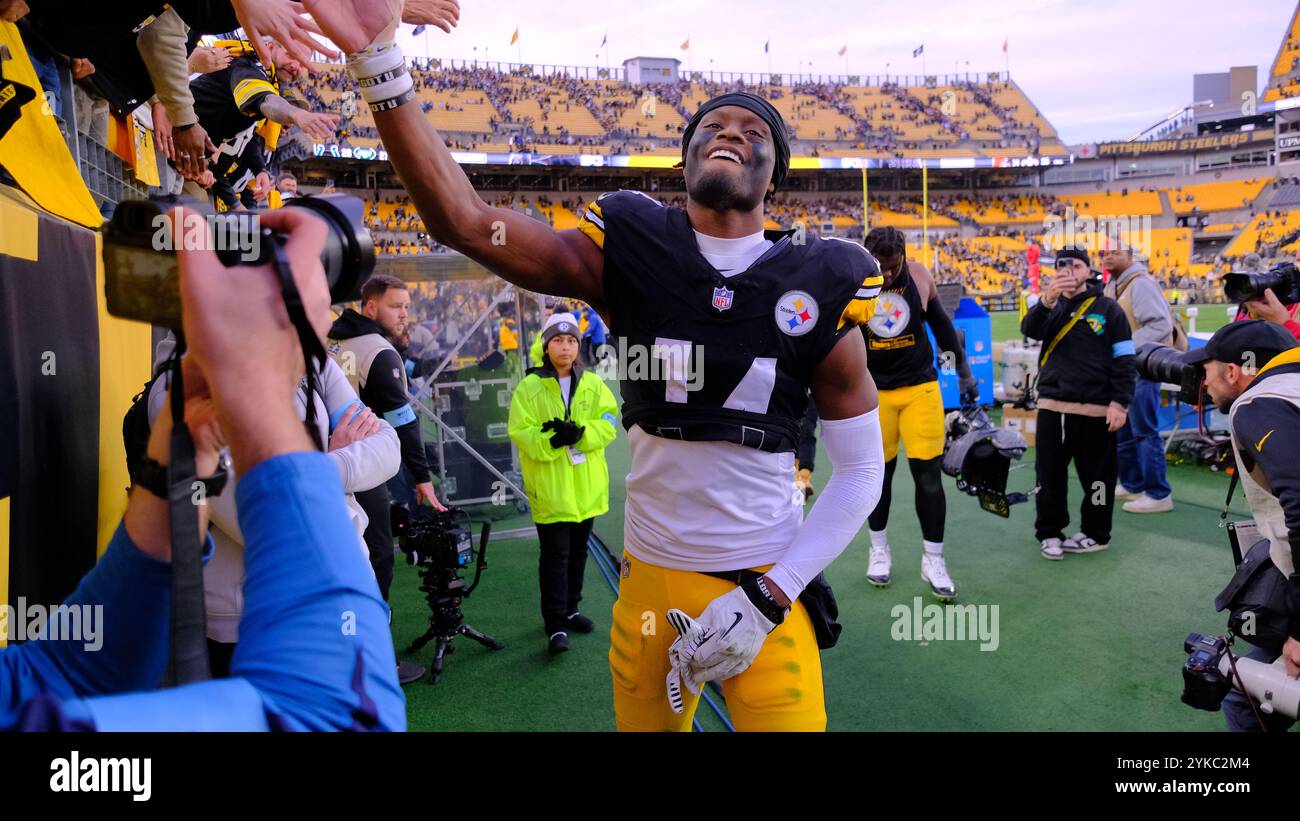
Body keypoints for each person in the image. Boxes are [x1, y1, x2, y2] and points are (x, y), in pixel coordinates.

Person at [306, 0, 886, 731]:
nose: (729, 133)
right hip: (649, 585)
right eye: (712, 126)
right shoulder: (629, 247)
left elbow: (862, 470)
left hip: (762, 590)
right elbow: (462, 218)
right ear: (685, 159)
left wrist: (776, 592)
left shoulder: (822, 277)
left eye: (752, 130)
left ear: (777, 173)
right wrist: (380, 65)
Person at [0, 207, 404, 730]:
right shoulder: (180, 383)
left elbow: (71, 672)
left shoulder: (261, 372)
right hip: (244, 615)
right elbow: (345, 713)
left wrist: (226, 432)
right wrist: (258, 383)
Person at [1178, 321, 1300, 731]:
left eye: (1206, 369)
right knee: (1248, 702)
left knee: (1249, 705)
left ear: (1233, 371)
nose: (1203, 382)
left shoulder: (1260, 403)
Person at [860, 226, 980, 600]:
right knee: (878, 477)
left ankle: (933, 558)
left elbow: (944, 330)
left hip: (920, 389)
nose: (889, 274)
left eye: (894, 266)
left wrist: (964, 376)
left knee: (928, 476)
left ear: (903, 257)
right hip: (874, 392)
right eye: (882, 266)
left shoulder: (920, 276)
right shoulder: (855, 278)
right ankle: (878, 549)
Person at [328, 274, 445, 611]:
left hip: (321, 459)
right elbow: (404, 422)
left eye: (407, 307)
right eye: (396, 306)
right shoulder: (377, 351)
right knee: (378, 550)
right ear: (371, 306)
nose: (404, 314)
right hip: (358, 466)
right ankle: (375, 635)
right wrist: (423, 478)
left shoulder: (330, 338)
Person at [508, 313, 619, 654]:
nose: (565, 346)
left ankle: (572, 609)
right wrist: (552, 442)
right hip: (551, 487)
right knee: (555, 555)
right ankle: (555, 623)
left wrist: (582, 434)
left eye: (571, 340)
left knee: (578, 553)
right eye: (558, 340)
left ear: (577, 345)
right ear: (546, 345)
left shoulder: (593, 383)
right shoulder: (529, 387)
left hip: (586, 488)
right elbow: (520, 431)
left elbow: (610, 421)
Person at [1022, 248, 1136, 560]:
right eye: (1062, 265)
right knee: (1049, 477)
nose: (1068, 270)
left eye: (1075, 264)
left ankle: (1096, 533)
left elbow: (1125, 359)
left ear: (1088, 270)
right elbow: (1029, 330)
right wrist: (1046, 301)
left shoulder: (1108, 309)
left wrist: (1120, 402)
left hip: (1096, 410)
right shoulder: (1050, 306)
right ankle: (1050, 533)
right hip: (1052, 407)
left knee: (1097, 481)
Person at [1102, 246, 1176, 514]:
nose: (1107, 257)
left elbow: (1160, 326)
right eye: (1103, 253)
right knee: (1123, 428)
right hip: (1124, 368)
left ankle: (1158, 493)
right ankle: (1133, 483)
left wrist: (1122, 346)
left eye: (1114, 252)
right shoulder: (1113, 284)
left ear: (1129, 256)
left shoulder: (1141, 284)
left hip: (1143, 366)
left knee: (1144, 429)